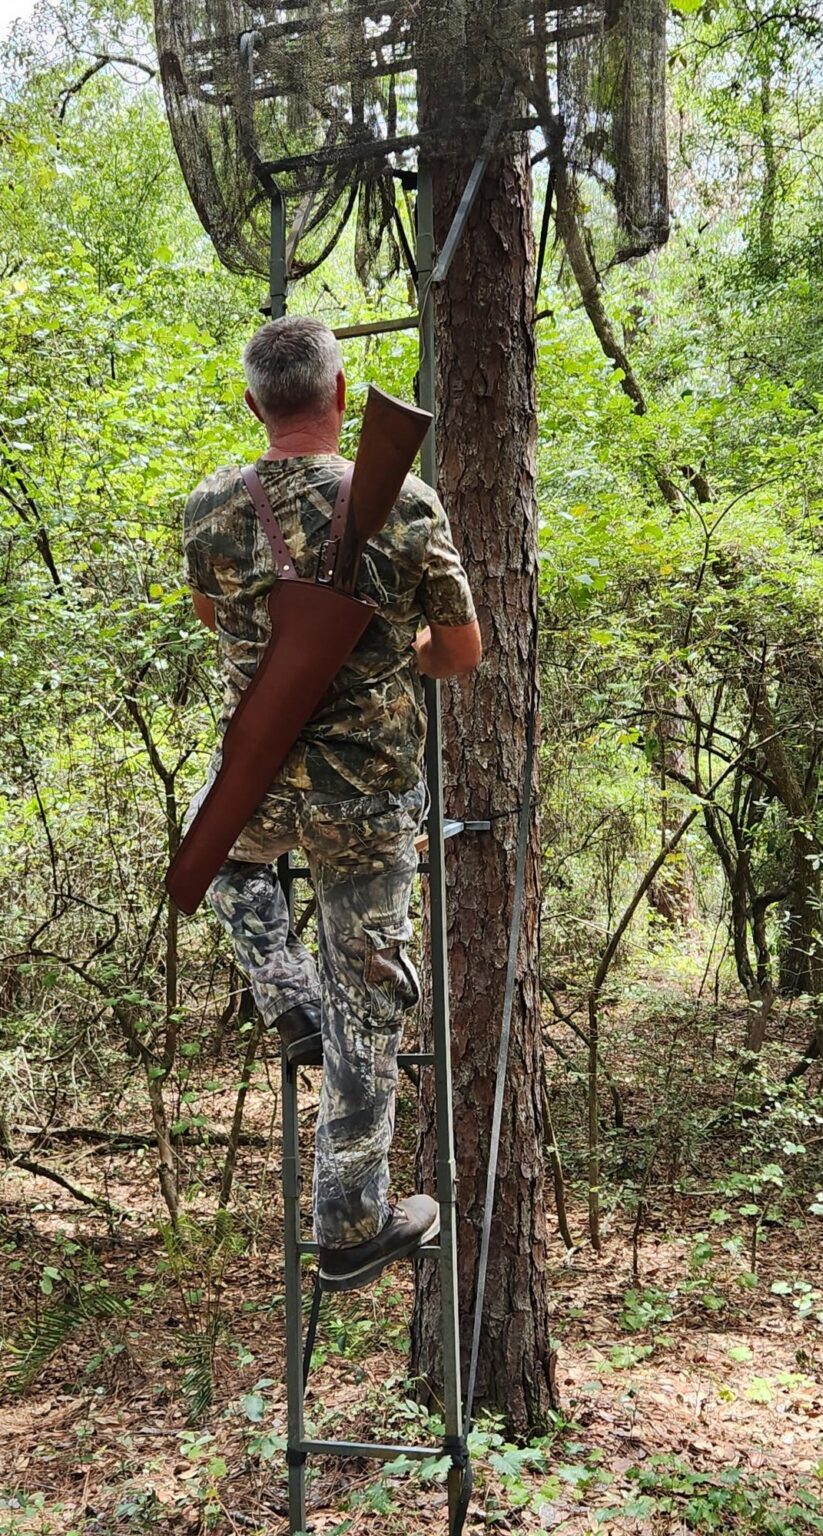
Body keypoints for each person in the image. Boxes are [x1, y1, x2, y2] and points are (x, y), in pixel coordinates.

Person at [182, 316, 481, 1293]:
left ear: (251, 405)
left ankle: (285, 996)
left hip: (261, 785)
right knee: (369, 1010)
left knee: (212, 848)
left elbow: (215, 619)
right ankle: (352, 1223)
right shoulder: (410, 503)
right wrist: (399, 657)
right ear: (342, 395)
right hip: (367, 802)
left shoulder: (208, 510)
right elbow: (461, 651)